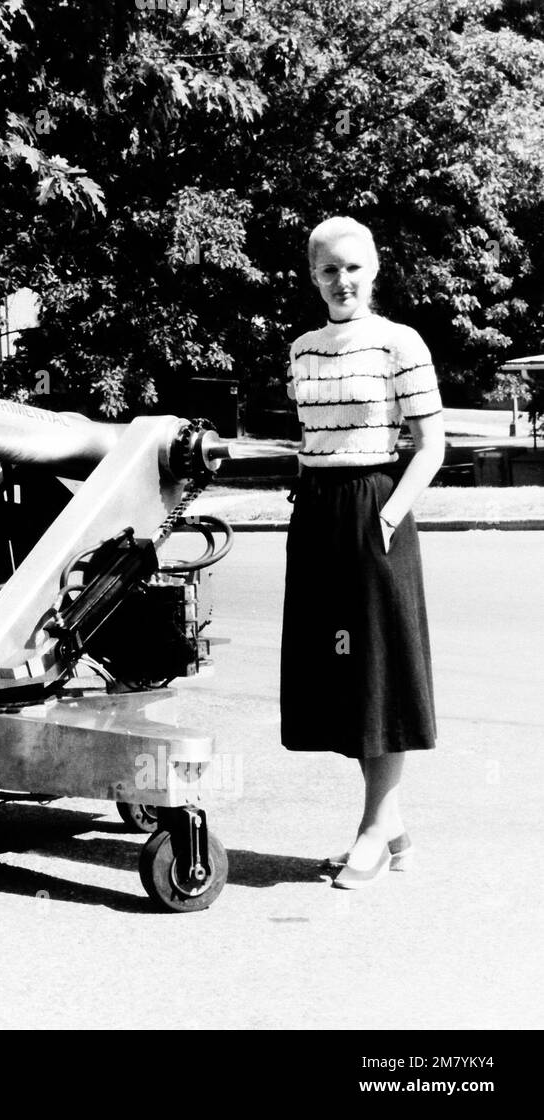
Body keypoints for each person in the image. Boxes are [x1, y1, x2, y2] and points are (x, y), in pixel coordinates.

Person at [281, 216, 444, 889]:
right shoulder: (301, 350)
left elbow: (432, 445)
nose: (341, 280)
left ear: (372, 269)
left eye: (352, 267)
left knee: (380, 669)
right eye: (328, 269)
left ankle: (375, 831)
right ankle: (389, 826)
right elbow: (311, 440)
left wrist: (389, 514)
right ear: (312, 276)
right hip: (318, 512)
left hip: (376, 508)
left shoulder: (398, 343)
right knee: (343, 675)